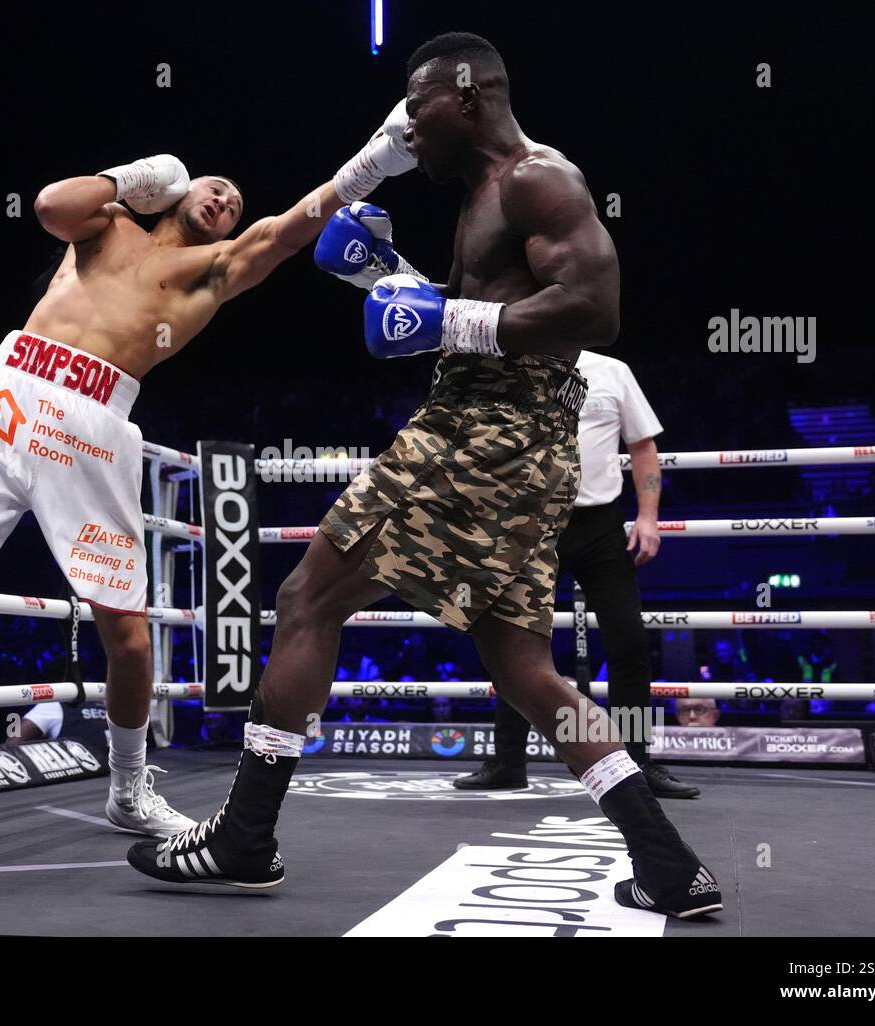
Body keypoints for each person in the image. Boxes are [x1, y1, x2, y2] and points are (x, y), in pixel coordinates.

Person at [128, 32, 721, 918]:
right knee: (521, 663)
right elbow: (479, 305)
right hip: (521, 441)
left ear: (469, 92)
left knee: (306, 600)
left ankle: (246, 837)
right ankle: (668, 864)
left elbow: (595, 308)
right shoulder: (484, 195)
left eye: (419, 103)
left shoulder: (535, 178)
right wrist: (405, 285)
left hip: (484, 430)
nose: (408, 124)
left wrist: (456, 325)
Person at [0, 110, 419, 869]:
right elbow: (49, 206)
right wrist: (128, 177)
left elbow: (290, 227)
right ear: (175, 190)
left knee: (130, 637)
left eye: (236, 201)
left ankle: (129, 787)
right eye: (216, 187)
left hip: (98, 425)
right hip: (10, 397)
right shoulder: (106, 226)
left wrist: (375, 159)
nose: (227, 200)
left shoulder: (214, 273)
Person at [454, 349, 701, 798]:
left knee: (628, 641)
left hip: (600, 525)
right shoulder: (515, 366)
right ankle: (508, 760)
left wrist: (649, 517)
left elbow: (642, 446)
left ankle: (636, 762)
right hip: (531, 521)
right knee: (514, 641)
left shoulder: (613, 371)